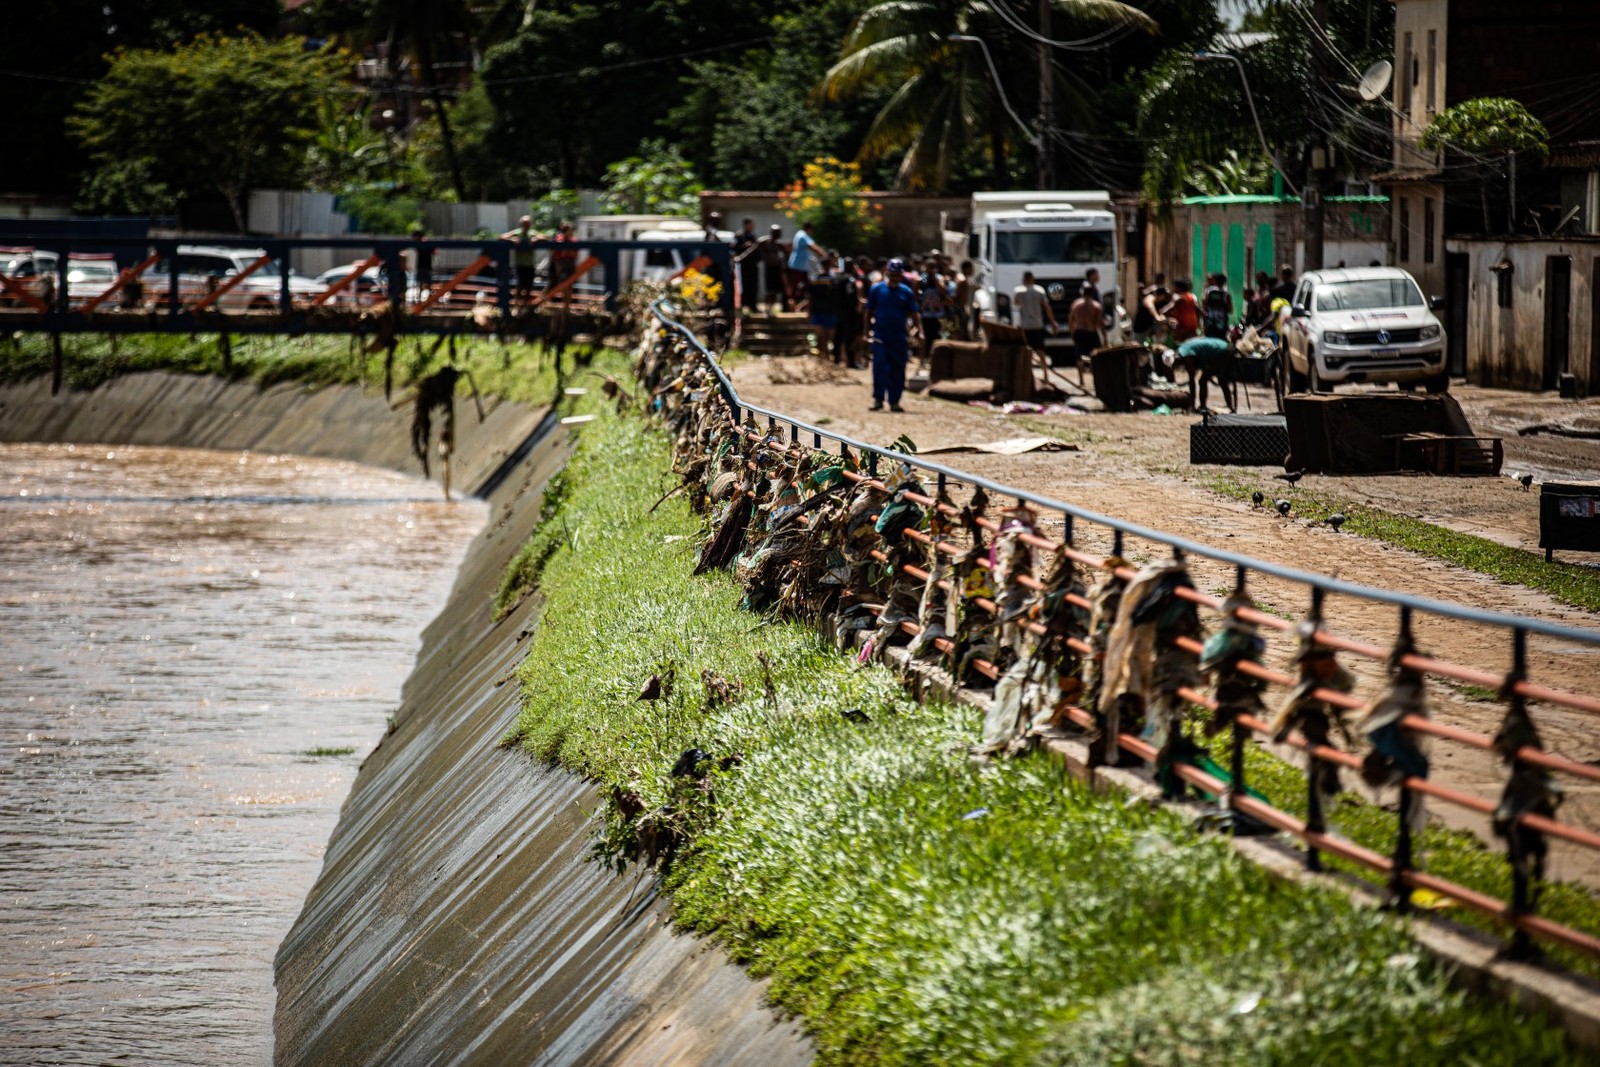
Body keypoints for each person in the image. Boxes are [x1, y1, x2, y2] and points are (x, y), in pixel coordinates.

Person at [864, 257, 920, 412]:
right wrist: (865, 332)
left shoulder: (906, 292)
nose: (895, 277)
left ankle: (894, 401)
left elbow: (914, 313)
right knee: (879, 368)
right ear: (887, 273)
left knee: (898, 370)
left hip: (899, 337)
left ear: (901, 275)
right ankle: (878, 399)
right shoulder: (877, 289)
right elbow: (868, 311)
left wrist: (919, 332)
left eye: (898, 275)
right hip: (880, 336)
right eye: (892, 274)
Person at [1176, 334, 1236, 413]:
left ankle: (1203, 406)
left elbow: (1192, 380)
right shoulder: (1182, 348)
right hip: (1224, 347)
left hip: (1223, 351)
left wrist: (1192, 406)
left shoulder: (1188, 356)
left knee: (1203, 380)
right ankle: (1229, 406)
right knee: (1221, 380)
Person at [1012, 270, 1057, 352]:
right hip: (1037, 324)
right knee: (1040, 349)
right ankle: (1044, 365)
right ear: (1033, 278)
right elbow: (1046, 307)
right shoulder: (1039, 290)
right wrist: (1053, 322)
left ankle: (1027, 364)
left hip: (1025, 325)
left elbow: (1016, 304)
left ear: (1024, 279)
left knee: (1026, 348)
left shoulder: (1018, 291)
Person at [502, 215, 539, 306]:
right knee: (519, 285)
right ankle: (517, 304)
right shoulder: (517, 233)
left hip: (530, 264)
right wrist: (512, 239)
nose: (526, 226)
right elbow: (502, 237)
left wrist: (536, 239)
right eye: (524, 224)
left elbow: (545, 237)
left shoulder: (532, 233)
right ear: (521, 224)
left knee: (529, 286)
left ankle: (525, 304)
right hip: (520, 264)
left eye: (528, 224)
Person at [786, 222, 824, 310]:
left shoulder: (799, 234)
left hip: (799, 265)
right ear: (810, 229)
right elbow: (813, 247)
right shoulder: (803, 236)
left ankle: (798, 304)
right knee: (802, 286)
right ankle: (793, 303)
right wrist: (824, 255)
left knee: (802, 285)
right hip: (798, 265)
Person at [807, 255, 838, 358]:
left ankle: (825, 355)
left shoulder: (818, 279)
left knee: (823, 335)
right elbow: (810, 297)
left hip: (824, 310)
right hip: (824, 310)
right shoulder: (832, 279)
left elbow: (810, 298)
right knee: (824, 335)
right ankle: (824, 355)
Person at [917, 263, 949, 363]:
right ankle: (923, 359)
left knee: (938, 336)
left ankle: (937, 358)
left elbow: (943, 291)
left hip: (937, 314)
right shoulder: (923, 278)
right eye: (929, 268)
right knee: (925, 337)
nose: (931, 270)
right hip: (925, 314)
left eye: (932, 268)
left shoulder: (939, 278)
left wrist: (935, 280)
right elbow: (916, 289)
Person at [1067, 284, 1104, 361]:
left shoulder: (1076, 304)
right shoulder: (1096, 306)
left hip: (1079, 331)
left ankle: (1080, 373)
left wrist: (1072, 332)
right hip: (1091, 332)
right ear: (1092, 293)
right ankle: (1092, 371)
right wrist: (1104, 336)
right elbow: (1100, 322)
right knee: (1094, 355)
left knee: (1079, 355)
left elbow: (1071, 319)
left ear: (1083, 292)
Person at [731, 218, 760, 313]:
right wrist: (744, 246)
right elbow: (734, 249)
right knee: (744, 285)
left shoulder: (753, 236)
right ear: (745, 225)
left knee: (753, 286)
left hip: (752, 265)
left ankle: (753, 305)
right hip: (744, 266)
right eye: (750, 225)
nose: (752, 227)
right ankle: (743, 305)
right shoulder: (739, 236)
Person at [758, 225, 788, 312]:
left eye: (778, 233)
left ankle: (773, 308)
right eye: (775, 232)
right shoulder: (765, 243)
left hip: (778, 269)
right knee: (770, 291)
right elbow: (757, 244)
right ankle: (768, 308)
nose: (777, 234)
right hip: (769, 269)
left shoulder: (779, 245)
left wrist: (783, 264)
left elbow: (786, 255)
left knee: (776, 291)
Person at [1165, 277, 1200, 342]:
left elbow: (1168, 309)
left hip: (1182, 326)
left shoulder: (1178, 297)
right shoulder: (1192, 296)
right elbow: (1197, 309)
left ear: (1178, 288)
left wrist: (1161, 312)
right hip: (1192, 325)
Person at [1202, 272, 1233, 339]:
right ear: (1225, 282)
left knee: (1209, 338)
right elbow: (1230, 309)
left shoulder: (1209, 291)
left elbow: (1204, 302)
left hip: (1210, 319)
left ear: (1215, 280)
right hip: (1221, 321)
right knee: (1220, 339)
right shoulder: (1226, 294)